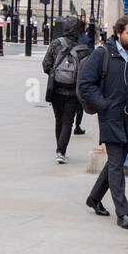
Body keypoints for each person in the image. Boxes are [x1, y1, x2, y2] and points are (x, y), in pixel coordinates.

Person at [77, 14, 128, 230]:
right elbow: (85, 84)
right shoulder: (103, 54)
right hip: (110, 117)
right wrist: (104, 105)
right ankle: (124, 214)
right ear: (119, 33)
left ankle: (94, 198)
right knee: (117, 164)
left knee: (115, 163)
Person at [41, 16, 91, 163]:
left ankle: (59, 149)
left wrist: (55, 74)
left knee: (59, 119)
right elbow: (87, 72)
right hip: (73, 92)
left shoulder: (56, 44)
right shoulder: (83, 48)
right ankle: (61, 151)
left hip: (56, 89)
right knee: (68, 121)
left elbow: (45, 64)